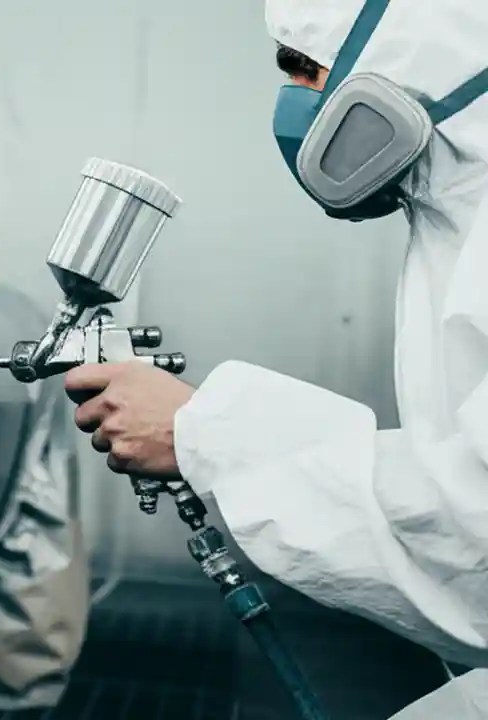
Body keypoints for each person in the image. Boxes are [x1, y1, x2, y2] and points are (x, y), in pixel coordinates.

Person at [63, 0, 488, 716]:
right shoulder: (456, 213)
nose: (293, 106)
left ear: (401, 67)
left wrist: (203, 432)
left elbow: (475, 543)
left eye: (303, 69)